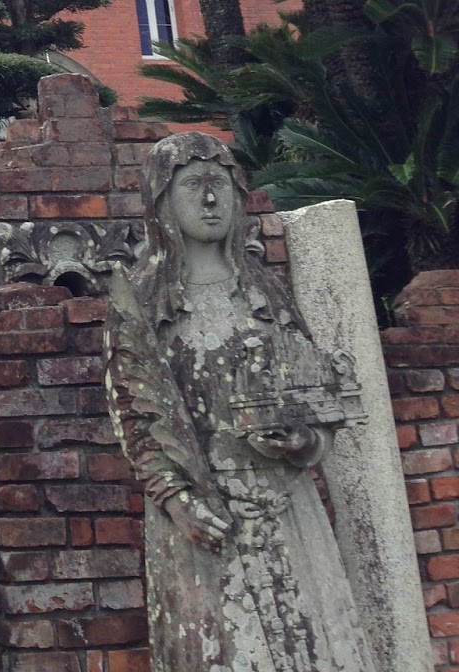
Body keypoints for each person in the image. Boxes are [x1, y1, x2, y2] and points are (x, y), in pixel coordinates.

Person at [104, 131, 375, 672]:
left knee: (316, 645)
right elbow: (134, 414)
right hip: (204, 510)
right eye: (193, 185)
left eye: (220, 185)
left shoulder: (264, 290)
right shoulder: (141, 298)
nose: (210, 199)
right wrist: (178, 501)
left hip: (288, 506)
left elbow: (312, 392)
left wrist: (304, 440)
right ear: (162, 200)